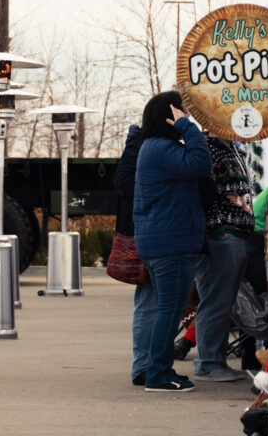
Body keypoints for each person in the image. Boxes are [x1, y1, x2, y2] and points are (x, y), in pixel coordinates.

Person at [133, 90, 212, 392]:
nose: (188, 116)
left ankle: (159, 371)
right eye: (182, 112)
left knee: (168, 309)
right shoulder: (161, 149)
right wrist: (187, 128)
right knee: (170, 310)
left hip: (164, 241)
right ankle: (158, 374)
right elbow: (200, 162)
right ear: (170, 116)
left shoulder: (153, 148)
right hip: (170, 242)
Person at [193, 134, 254, 382]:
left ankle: (215, 360)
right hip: (222, 233)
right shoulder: (209, 148)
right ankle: (207, 363)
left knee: (223, 300)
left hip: (234, 232)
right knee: (215, 300)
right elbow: (204, 191)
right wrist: (215, 227)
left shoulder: (232, 148)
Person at [112, 123, 153, 386]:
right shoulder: (140, 144)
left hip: (141, 230)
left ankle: (145, 364)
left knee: (149, 300)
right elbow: (126, 183)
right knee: (149, 300)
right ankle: (143, 366)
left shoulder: (140, 144)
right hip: (143, 233)